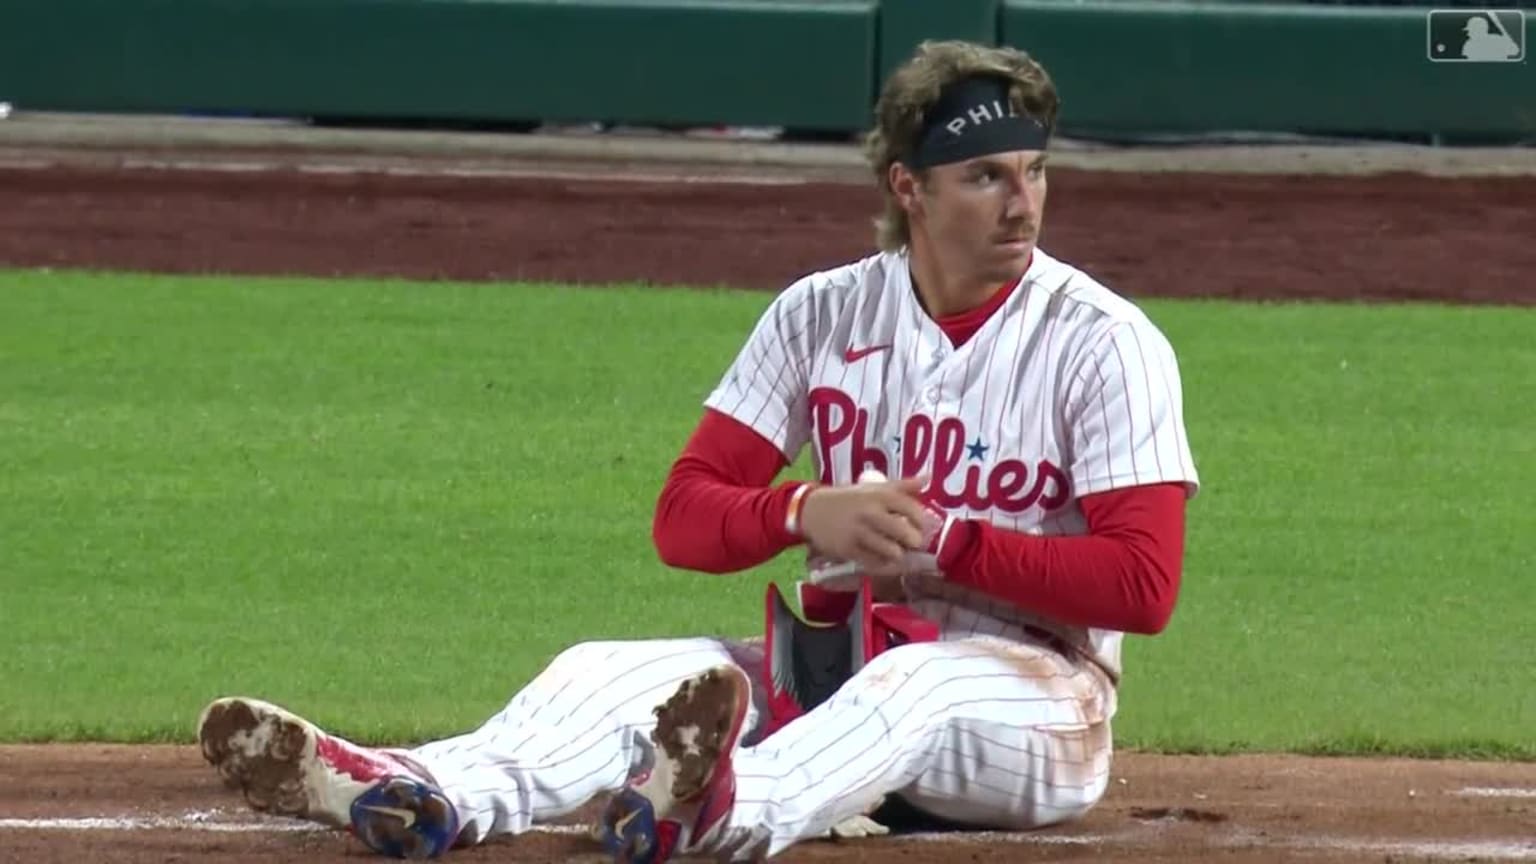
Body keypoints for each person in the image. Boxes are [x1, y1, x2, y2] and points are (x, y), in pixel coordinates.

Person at [196, 38, 1199, 862]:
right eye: (986, 177)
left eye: (1033, 172)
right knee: (608, 672)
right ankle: (424, 791)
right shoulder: (823, 313)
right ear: (911, 187)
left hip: (1038, 702)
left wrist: (952, 543)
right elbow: (684, 517)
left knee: (916, 685)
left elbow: (1145, 586)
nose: (1023, 203)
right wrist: (803, 511)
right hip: (837, 677)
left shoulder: (1104, 343)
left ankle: (721, 809)